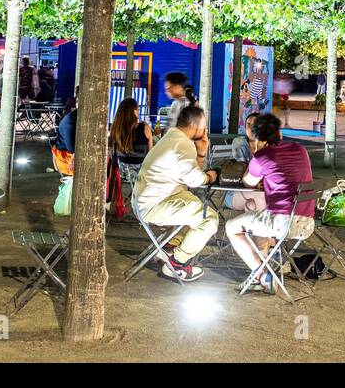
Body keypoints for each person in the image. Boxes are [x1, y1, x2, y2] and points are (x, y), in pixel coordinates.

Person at [225, 113, 314, 294]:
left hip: (281, 224)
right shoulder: (300, 149)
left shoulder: (262, 156)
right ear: (279, 133)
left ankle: (261, 274)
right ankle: (268, 263)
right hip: (307, 223)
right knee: (256, 212)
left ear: (258, 137)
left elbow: (248, 183)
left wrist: (257, 154)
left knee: (231, 227)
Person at [133, 104, 220, 282]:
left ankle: (168, 249)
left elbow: (191, 173)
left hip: (148, 202)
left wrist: (201, 153)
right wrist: (212, 176)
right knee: (209, 219)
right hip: (155, 206)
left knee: (195, 209)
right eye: (204, 126)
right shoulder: (182, 143)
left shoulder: (172, 138)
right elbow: (195, 180)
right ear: (196, 125)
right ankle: (178, 264)